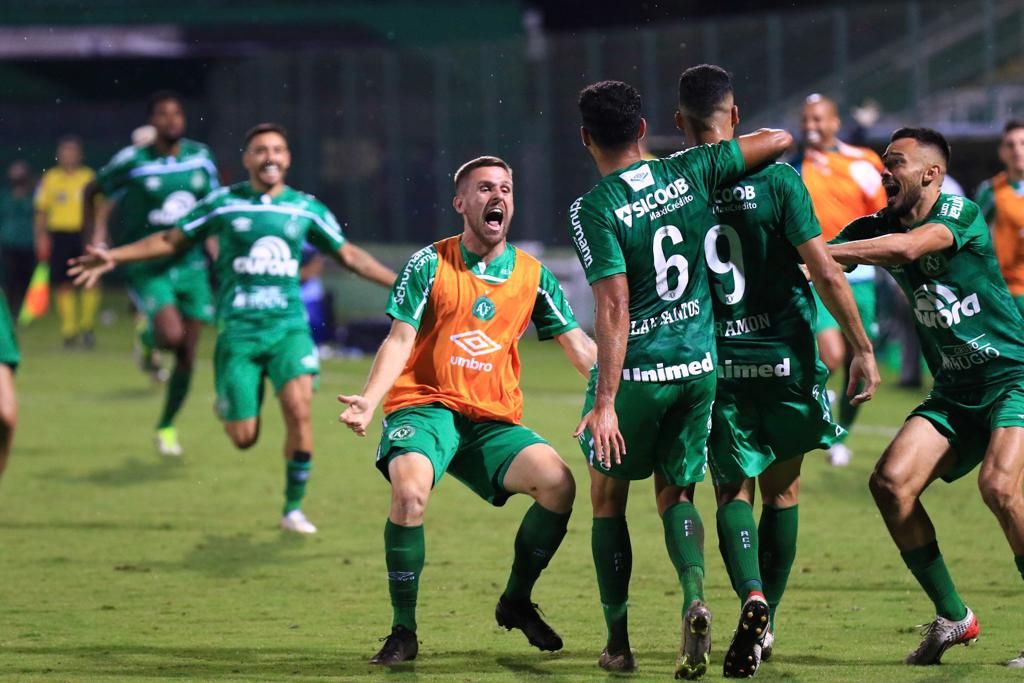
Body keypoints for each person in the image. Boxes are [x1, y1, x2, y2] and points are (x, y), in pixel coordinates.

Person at [71, 122, 397, 533]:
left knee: (300, 412)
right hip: (239, 334)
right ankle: (229, 402)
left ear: (288, 158)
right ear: (246, 159)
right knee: (244, 437)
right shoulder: (224, 204)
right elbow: (172, 240)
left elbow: (350, 255)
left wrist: (400, 283)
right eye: (260, 150)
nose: (270, 157)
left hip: (288, 329)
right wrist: (114, 257)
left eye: (277, 150)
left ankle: (292, 509)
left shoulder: (304, 208)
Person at [570, 78, 792, 678]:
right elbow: (777, 139)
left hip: (639, 372)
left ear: (587, 137)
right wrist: (729, 149)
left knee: (607, 501)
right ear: (644, 129)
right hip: (698, 370)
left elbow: (614, 308)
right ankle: (695, 593)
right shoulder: (689, 168)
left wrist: (607, 400)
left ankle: (618, 644)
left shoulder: (594, 208)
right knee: (677, 493)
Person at [337, 155, 595, 665]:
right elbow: (399, 338)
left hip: (491, 421)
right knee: (409, 495)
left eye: (505, 188)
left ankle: (516, 601)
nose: (496, 196)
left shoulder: (531, 276)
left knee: (559, 485)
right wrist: (370, 398)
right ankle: (403, 632)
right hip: (426, 406)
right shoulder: (429, 264)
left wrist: (615, 394)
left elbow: (578, 346)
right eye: (482, 189)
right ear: (460, 203)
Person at [676, 65, 879, 673]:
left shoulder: (672, 187)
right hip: (787, 360)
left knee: (731, 490)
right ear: (736, 119)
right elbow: (822, 268)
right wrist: (862, 347)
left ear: (680, 124)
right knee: (783, 491)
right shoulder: (782, 180)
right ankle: (766, 629)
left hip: (721, 362)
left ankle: (752, 596)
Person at [828, 127, 1024, 668]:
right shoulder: (878, 225)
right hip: (956, 391)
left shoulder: (958, 214)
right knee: (890, 486)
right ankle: (954, 616)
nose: (884, 171)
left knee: (1000, 488)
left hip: (1013, 377)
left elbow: (908, 248)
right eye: (883, 162)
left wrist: (827, 253)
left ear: (931, 174)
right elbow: (820, 260)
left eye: (896, 162)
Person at [85, 91, 219, 457]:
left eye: (177, 113)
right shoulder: (133, 161)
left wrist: (218, 255)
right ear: (151, 121)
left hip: (190, 265)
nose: (172, 119)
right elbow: (93, 189)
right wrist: (94, 237)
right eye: (163, 114)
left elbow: (213, 211)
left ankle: (167, 424)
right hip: (147, 264)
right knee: (171, 335)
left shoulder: (201, 158)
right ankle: (148, 339)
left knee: (189, 355)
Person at [797, 94, 888, 466]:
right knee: (831, 355)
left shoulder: (864, 162)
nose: (811, 127)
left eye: (818, 119)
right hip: (817, 273)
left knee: (858, 359)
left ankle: (840, 436)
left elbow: (882, 216)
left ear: (835, 122)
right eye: (805, 120)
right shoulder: (792, 165)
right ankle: (817, 412)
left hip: (862, 276)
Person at [33, 136, 99, 348]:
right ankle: (69, 330)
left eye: (72, 152)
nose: (68, 156)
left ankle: (87, 327)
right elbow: (41, 211)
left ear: (80, 155)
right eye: (64, 152)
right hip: (60, 234)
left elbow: (99, 208)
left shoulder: (89, 177)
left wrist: (99, 234)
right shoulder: (50, 178)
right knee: (63, 282)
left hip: (85, 234)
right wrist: (41, 236)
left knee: (91, 278)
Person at [976, 120, 1024, 317]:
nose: (1017, 150)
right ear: (1002, 153)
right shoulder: (992, 191)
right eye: (1010, 145)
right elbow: (972, 234)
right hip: (1009, 292)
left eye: (1023, 143)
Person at [0, 161, 37, 315]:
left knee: (26, 278)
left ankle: (22, 309)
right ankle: (10, 309)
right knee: (10, 278)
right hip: (9, 242)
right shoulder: (5, 196)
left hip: (29, 242)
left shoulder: (33, 196)